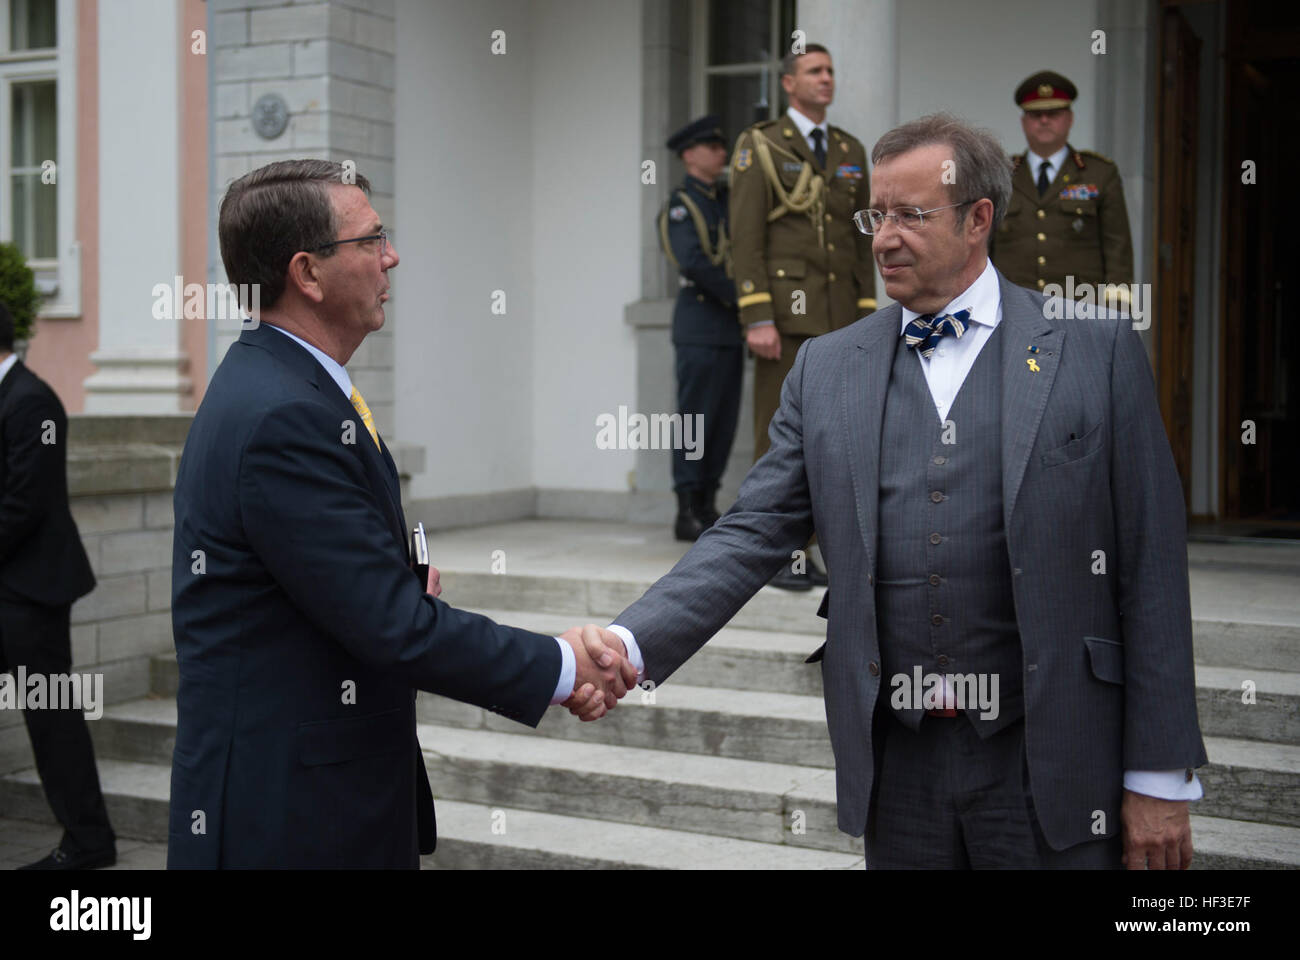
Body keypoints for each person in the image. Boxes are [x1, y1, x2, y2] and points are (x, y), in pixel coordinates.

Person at [571, 115, 1207, 869]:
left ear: (978, 220)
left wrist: (1161, 776)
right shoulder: (828, 368)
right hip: (897, 766)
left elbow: (1152, 566)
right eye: (876, 215)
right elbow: (751, 532)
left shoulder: (1095, 349)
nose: (883, 238)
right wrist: (630, 642)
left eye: (912, 215)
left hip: (1053, 760)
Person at [167, 160, 635, 868]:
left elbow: (333, 589)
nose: (392, 255)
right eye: (371, 239)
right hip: (291, 819)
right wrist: (562, 666)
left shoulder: (290, 384)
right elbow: (392, 629)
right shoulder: (284, 414)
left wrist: (384, 576)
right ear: (308, 273)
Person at [729, 42, 875, 589]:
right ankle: (778, 553)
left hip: (840, 318)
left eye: (831, 71)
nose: (826, 80)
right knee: (778, 438)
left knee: (837, 436)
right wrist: (757, 315)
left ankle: (826, 545)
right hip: (786, 322)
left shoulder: (849, 148)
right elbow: (745, 238)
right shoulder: (760, 145)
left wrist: (867, 310)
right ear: (788, 83)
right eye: (814, 71)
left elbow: (861, 239)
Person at [0, 300, 115, 870]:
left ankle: (90, 844)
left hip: (30, 596)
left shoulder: (33, 401)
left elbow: (23, 505)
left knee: (52, 722)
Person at [659, 114, 743, 541]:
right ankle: (687, 508)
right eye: (712, 147)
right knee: (695, 421)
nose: (721, 153)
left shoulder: (725, 198)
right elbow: (693, 260)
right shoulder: (680, 204)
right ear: (690, 155)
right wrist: (741, 295)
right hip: (700, 323)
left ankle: (709, 501)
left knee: (722, 421)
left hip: (728, 327)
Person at [992, 70, 1134, 307]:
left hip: (1080, 309)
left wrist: (1115, 319)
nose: (1044, 120)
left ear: (1070, 118)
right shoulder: (1000, 175)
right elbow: (982, 248)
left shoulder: (1099, 174)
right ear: (1023, 122)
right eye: (1036, 114)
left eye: (1053, 113)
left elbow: (1117, 253)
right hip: (1013, 309)